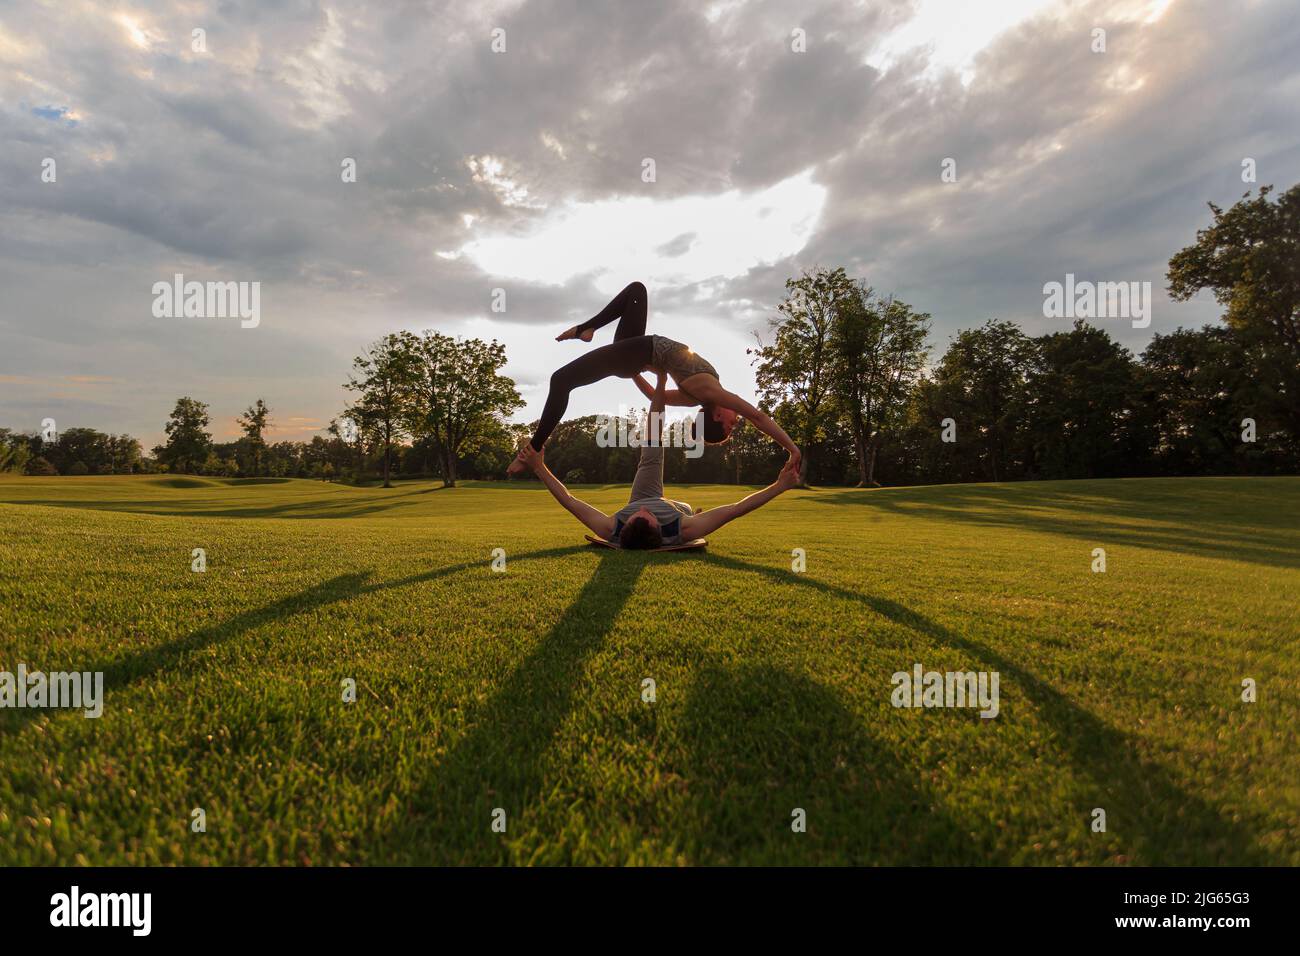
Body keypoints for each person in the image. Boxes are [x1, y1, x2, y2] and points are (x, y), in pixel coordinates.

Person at [506, 281, 800, 475]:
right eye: (733, 425)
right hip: (635, 353)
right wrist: (639, 372)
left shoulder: (711, 393)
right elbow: (652, 396)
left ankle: (532, 449)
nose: (736, 420)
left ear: (716, 414)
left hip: (637, 352)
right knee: (636, 291)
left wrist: (792, 449)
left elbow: (760, 418)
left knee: (560, 380)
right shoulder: (694, 395)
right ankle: (587, 329)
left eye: (730, 425)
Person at [516, 370, 800, 548]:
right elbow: (735, 509)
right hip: (682, 511)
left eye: (636, 516)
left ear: (624, 526)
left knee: (651, 450)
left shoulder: (611, 527)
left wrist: (539, 467)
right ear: (657, 528)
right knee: (690, 510)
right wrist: (780, 486)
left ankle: (659, 385)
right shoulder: (682, 530)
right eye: (648, 516)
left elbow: (570, 501)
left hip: (644, 493)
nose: (645, 512)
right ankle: (692, 510)